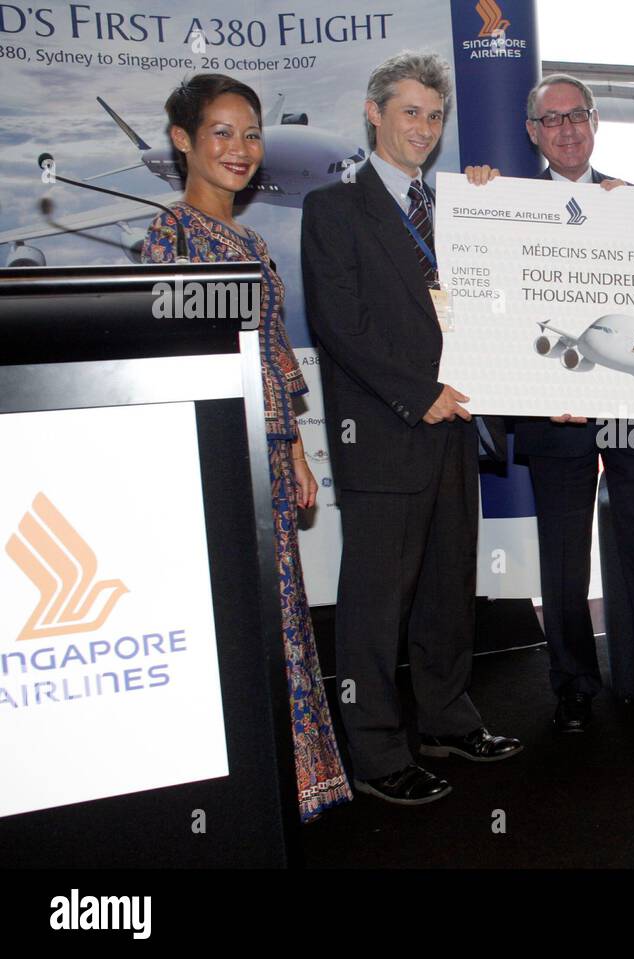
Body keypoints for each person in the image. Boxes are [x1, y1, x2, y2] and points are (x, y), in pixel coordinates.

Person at [300, 50, 521, 807]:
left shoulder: (459, 207)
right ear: (374, 113)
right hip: (388, 430)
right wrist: (415, 394)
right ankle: (376, 750)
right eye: (409, 113)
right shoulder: (334, 208)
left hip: (457, 427)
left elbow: (501, 295)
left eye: (434, 115)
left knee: (448, 588)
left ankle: (447, 718)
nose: (424, 127)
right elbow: (339, 324)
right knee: (373, 603)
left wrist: (496, 210)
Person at [142, 74, 351, 822]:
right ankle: (234, 794)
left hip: (266, 454)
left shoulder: (253, 242)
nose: (240, 149)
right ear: (183, 141)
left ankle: (295, 781)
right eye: (222, 133)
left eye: (250, 133)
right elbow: (176, 360)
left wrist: (292, 451)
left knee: (282, 616)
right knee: (230, 621)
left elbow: (269, 354)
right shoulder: (169, 236)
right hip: (214, 458)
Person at [498, 73, 634, 730]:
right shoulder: (505, 206)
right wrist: (538, 393)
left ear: (595, 124)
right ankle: (572, 686)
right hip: (552, 409)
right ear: (533, 132)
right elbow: (500, 310)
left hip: (631, 401)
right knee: (564, 557)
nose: (567, 129)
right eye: (552, 119)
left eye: (578, 116)